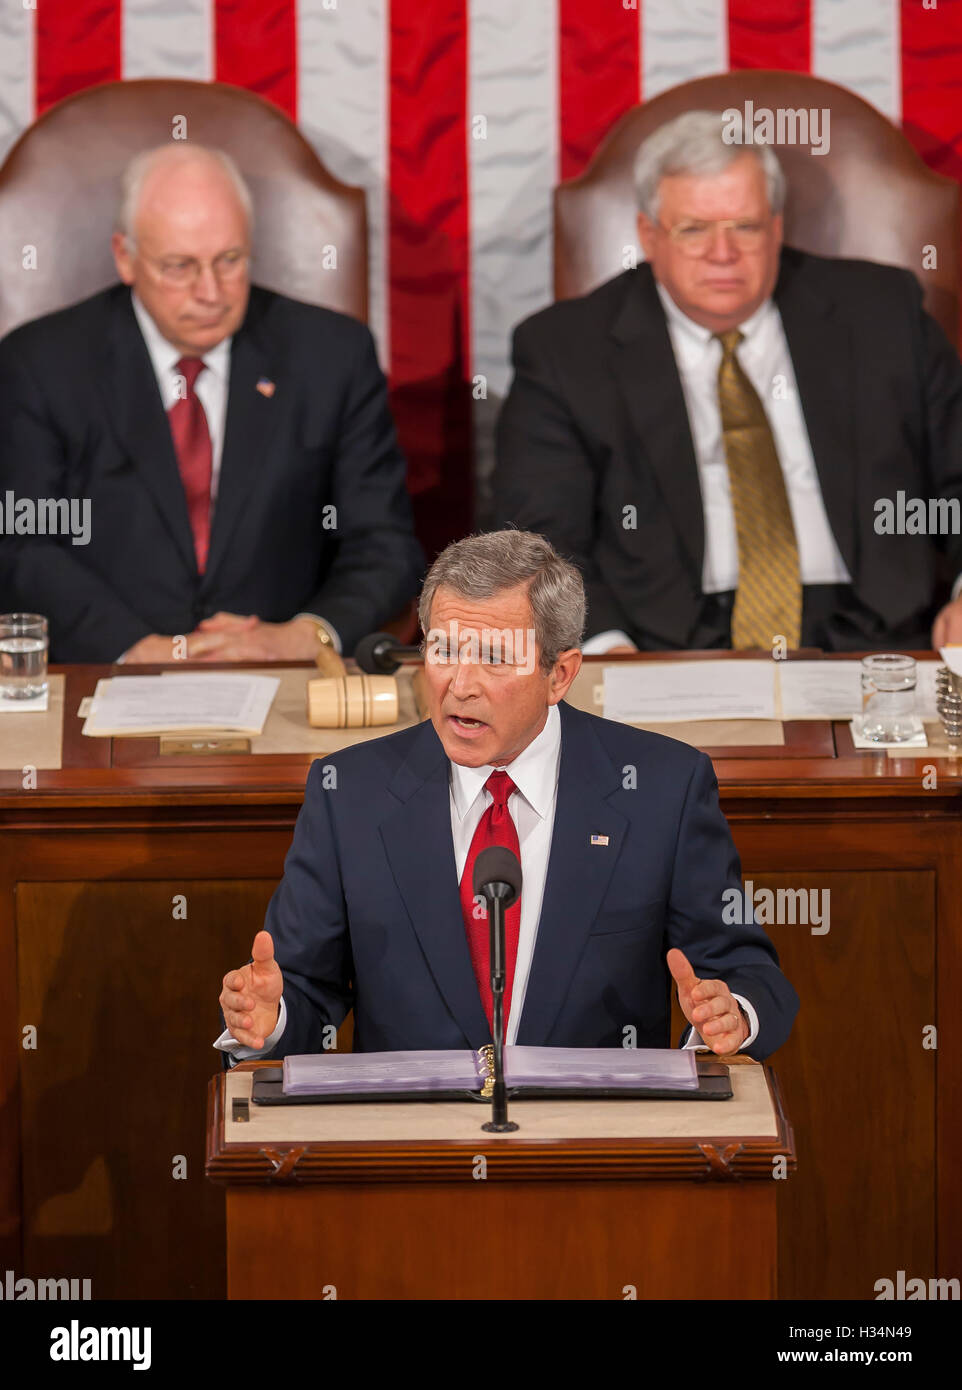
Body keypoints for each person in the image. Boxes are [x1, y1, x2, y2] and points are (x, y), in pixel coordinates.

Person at [216, 530, 798, 1064]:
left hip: (594, 1151)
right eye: (442, 651)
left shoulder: (662, 791)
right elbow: (305, 992)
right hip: (412, 1153)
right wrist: (272, 1019)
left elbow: (747, 973)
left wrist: (731, 1015)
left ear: (560, 675)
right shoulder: (349, 795)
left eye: (494, 659)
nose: (460, 685)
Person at [493, 110, 962, 654]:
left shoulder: (881, 312)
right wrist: (604, 651)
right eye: (694, 229)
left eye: (745, 226)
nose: (723, 254)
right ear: (648, 234)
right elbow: (541, 538)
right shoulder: (564, 351)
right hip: (661, 645)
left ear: (777, 227)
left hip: (885, 636)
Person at [0, 144, 424, 663]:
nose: (211, 292)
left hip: (283, 677)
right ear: (125, 258)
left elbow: (384, 542)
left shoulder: (332, 355)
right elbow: (24, 541)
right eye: (179, 266)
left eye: (229, 260)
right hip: (103, 672)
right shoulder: (41, 363)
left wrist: (306, 634)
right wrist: (136, 649)